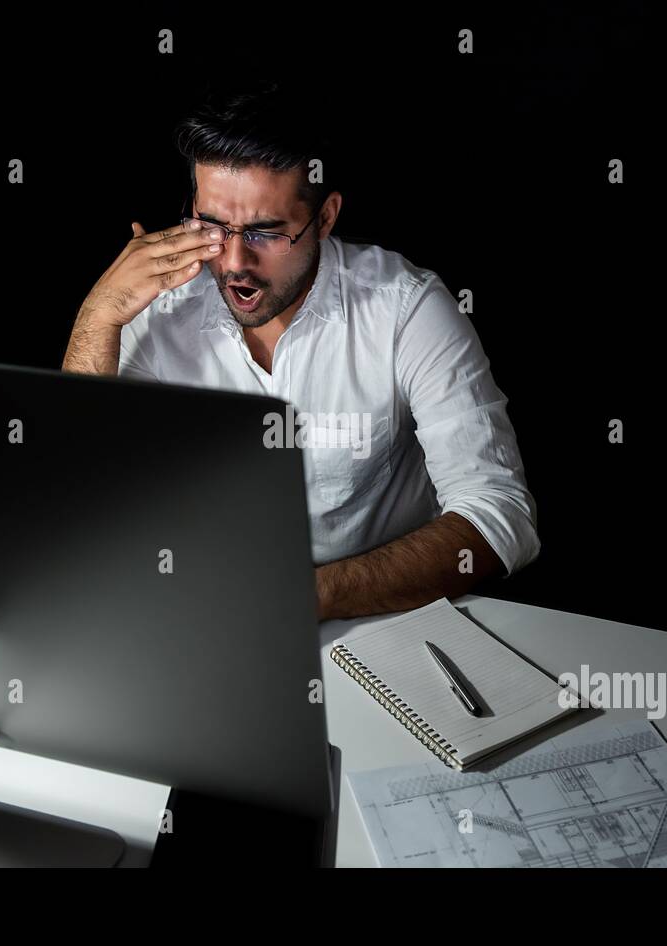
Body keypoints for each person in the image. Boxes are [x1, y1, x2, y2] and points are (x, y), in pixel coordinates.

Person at [62, 83, 539, 621]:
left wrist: (312, 594)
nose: (235, 261)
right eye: (213, 224)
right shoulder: (160, 304)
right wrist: (97, 316)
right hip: (199, 617)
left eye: (266, 232)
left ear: (326, 217)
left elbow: (501, 516)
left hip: (379, 627)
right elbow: (77, 511)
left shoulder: (405, 309)